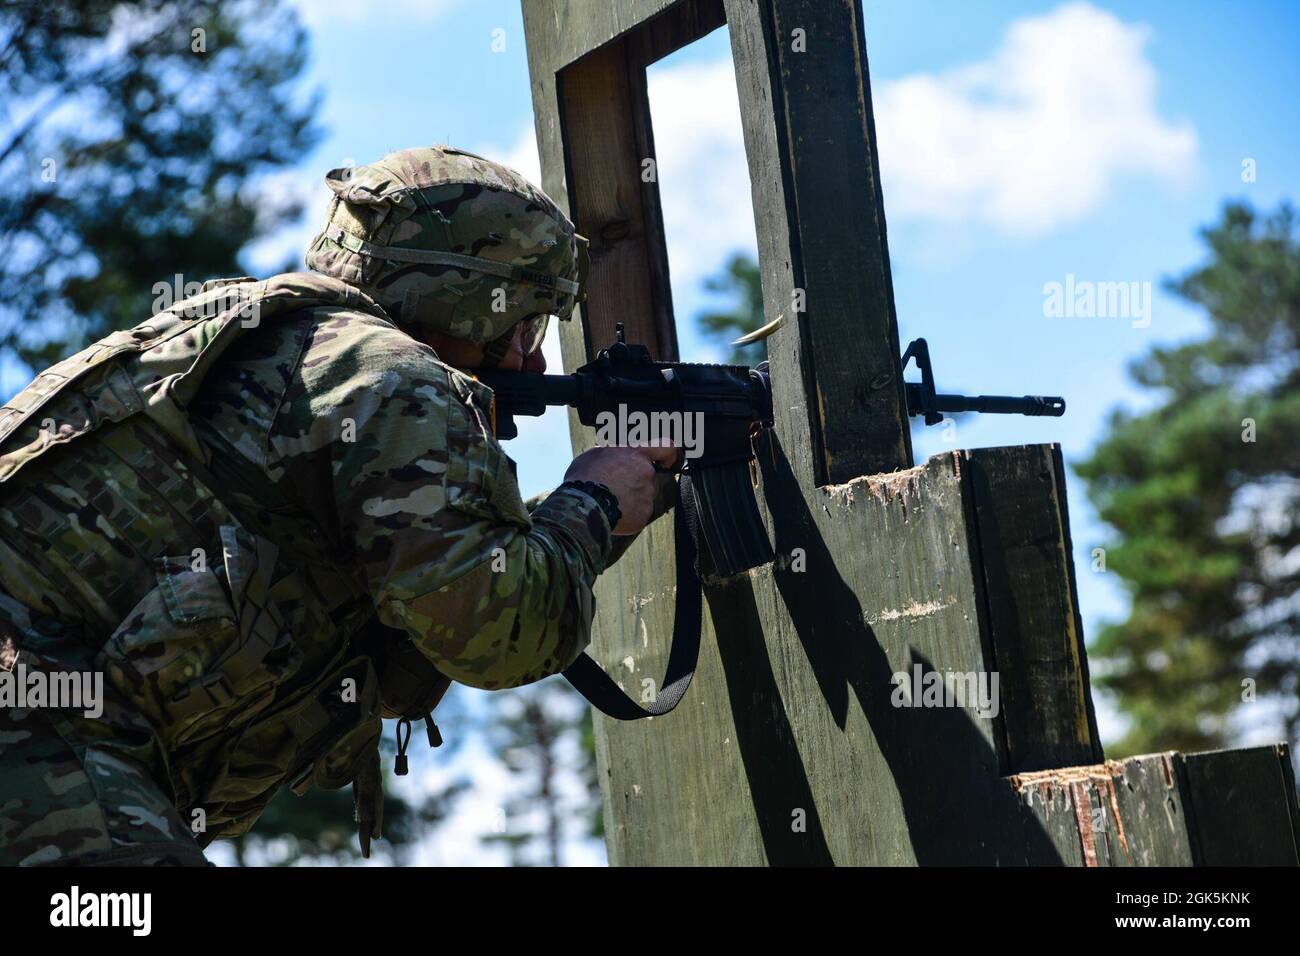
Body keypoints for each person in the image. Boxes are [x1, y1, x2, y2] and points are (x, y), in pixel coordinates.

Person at [0, 145, 676, 865]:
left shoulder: (293, 342)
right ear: (465, 300)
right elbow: (496, 632)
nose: (535, 364)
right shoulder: (391, 377)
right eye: (526, 325)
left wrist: (609, 503)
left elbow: (412, 631)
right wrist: (597, 501)